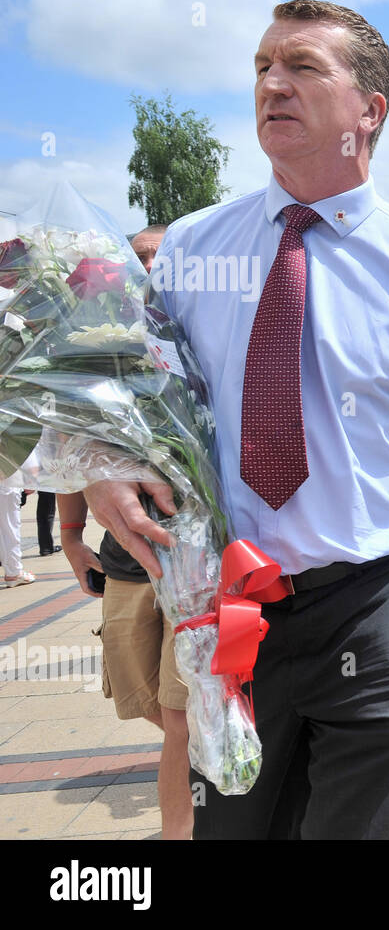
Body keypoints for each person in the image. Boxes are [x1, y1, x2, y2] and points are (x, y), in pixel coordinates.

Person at [82, 0, 389, 840]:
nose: (272, 82)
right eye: (263, 66)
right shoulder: (191, 250)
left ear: (369, 111)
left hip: (381, 604)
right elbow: (132, 398)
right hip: (236, 610)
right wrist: (101, 465)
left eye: (301, 66)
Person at [59, 223, 193, 840]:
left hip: (195, 556)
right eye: (138, 257)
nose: (149, 266)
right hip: (125, 561)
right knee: (145, 702)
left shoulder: (197, 336)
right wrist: (69, 532)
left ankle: (191, 818)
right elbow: (69, 438)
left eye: (159, 256)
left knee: (180, 709)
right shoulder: (95, 350)